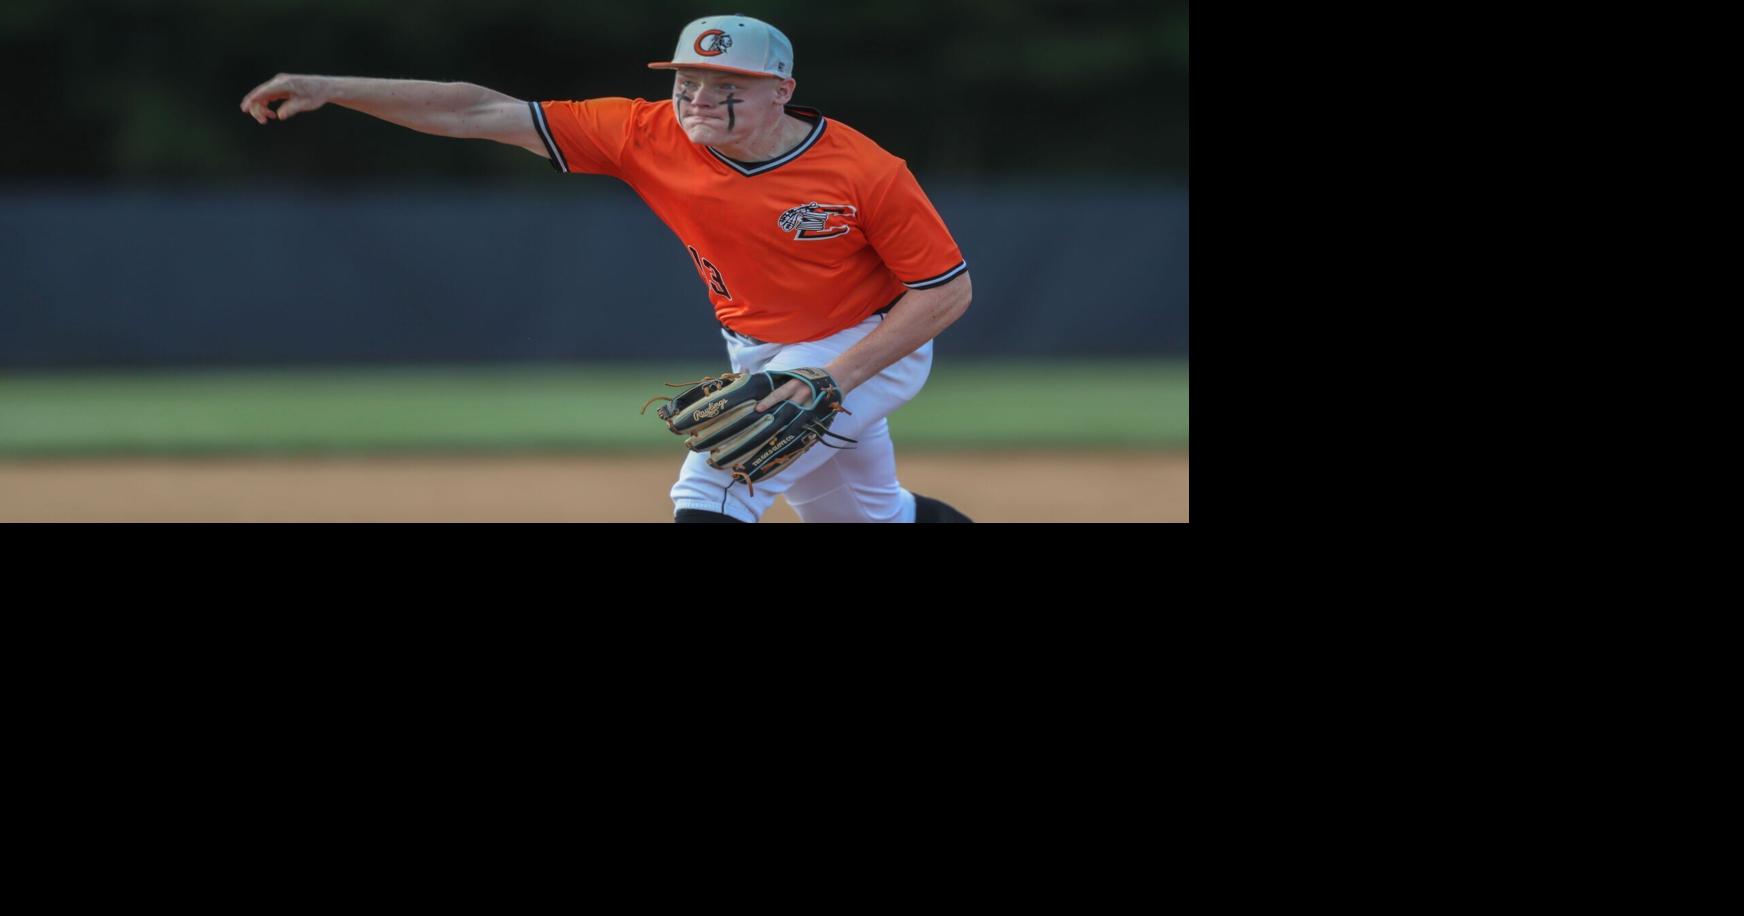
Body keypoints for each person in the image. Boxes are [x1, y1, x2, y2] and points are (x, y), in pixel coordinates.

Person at [240, 14, 973, 523]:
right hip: (759, 347)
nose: (700, 98)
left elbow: (945, 292)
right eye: (688, 79)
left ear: (781, 91)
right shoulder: (646, 132)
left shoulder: (865, 171)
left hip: (866, 344)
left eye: (728, 84)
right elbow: (478, 112)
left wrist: (831, 378)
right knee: (868, 517)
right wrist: (335, 87)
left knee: (714, 489)